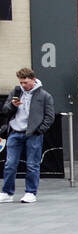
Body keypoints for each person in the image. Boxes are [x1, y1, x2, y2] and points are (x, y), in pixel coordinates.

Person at [1, 68, 55, 204]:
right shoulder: (16, 91)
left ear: (33, 79)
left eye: (25, 82)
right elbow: (5, 110)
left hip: (33, 134)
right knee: (10, 164)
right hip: (15, 131)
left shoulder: (44, 96)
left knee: (32, 164)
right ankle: (7, 193)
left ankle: (31, 192)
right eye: (21, 82)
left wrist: (39, 130)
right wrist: (12, 105)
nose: (23, 85)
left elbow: (49, 117)